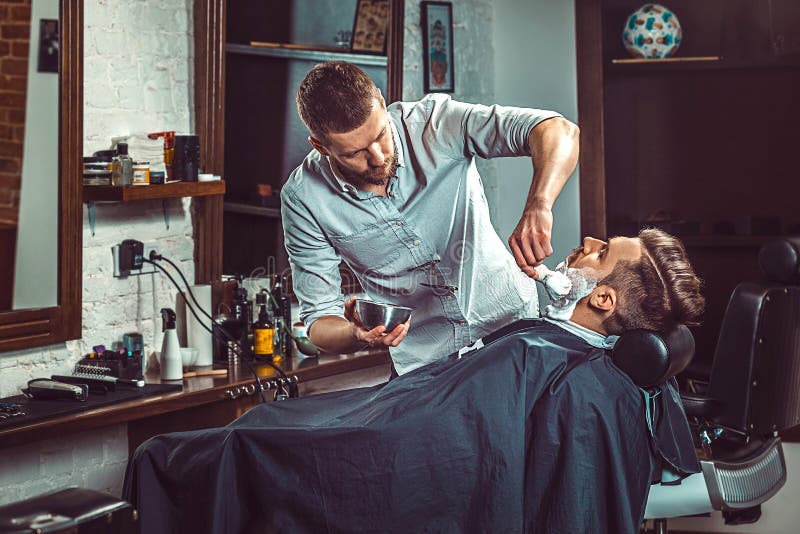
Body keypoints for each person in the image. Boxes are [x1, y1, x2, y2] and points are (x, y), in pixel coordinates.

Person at [124, 228, 705, 534]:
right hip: (391, 418)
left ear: (602, 299)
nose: (590, 244)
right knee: (256, 425)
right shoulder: (566, 351)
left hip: (379, 445)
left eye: (602, 254)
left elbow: (425, 440)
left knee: (180, 454)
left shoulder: (549, 361)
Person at [281, 61, 580, 375]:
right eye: (354, 153)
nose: (378, 158)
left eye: (381, 134)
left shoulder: (435, 123)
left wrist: (539, 204)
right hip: (424, 364)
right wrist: (355, 334)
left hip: (511, 328)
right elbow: (320, 320)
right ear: (320, 146)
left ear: (381, 102)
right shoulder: (303, 198)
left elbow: (558, 130)